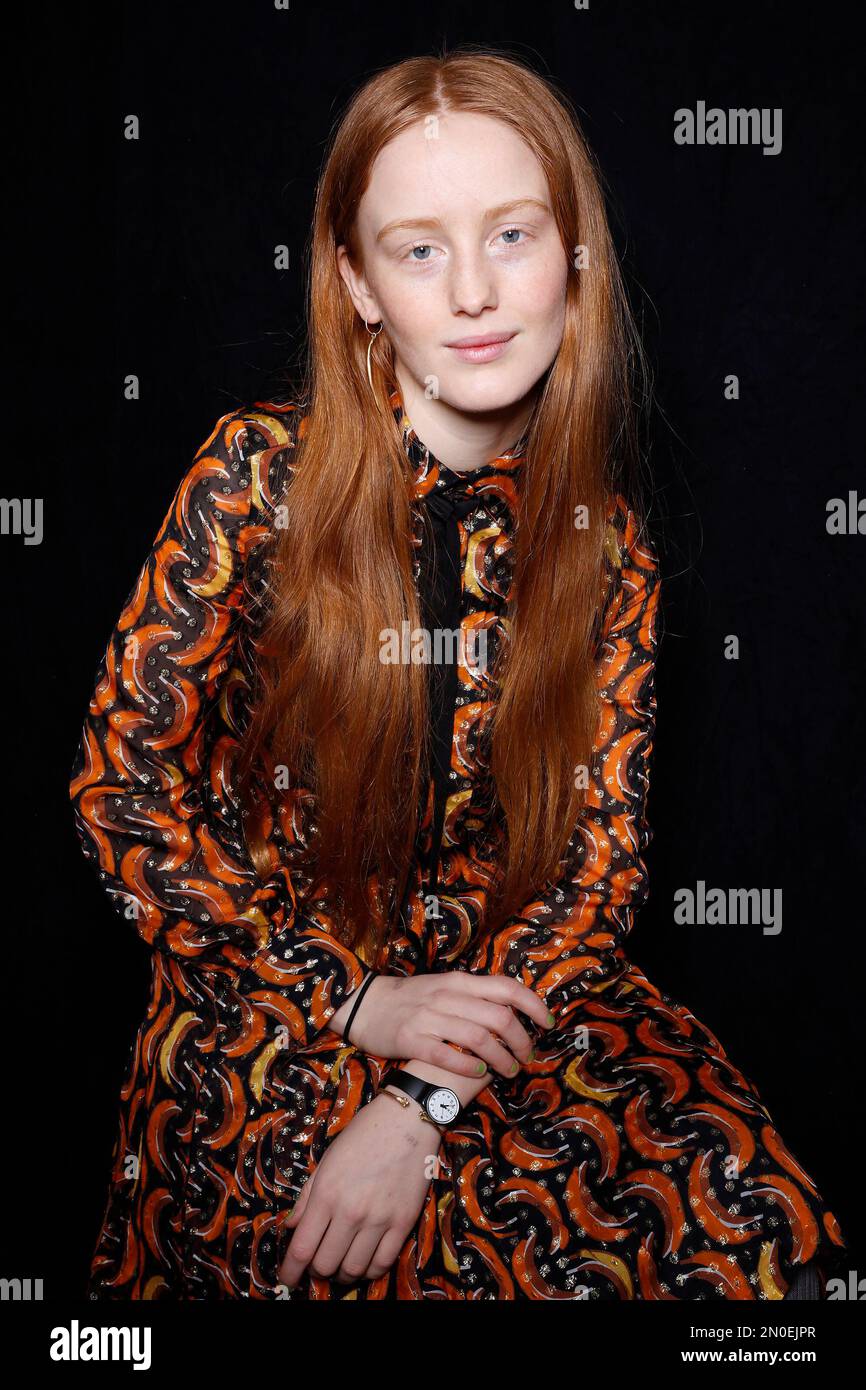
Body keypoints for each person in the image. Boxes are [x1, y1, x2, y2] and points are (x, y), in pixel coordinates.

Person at [68, 48, 846, 1301]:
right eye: (419, 249)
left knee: (756, 1241)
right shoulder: (253, 477)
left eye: (513, 234)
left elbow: (598, 873)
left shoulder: (609, 545)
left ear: (574, 257)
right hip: (269, 998)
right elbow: (122, 798)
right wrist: (356, 1001)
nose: (478, 292)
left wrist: (426, 1096)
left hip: (504, 1015)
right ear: (357, 285)